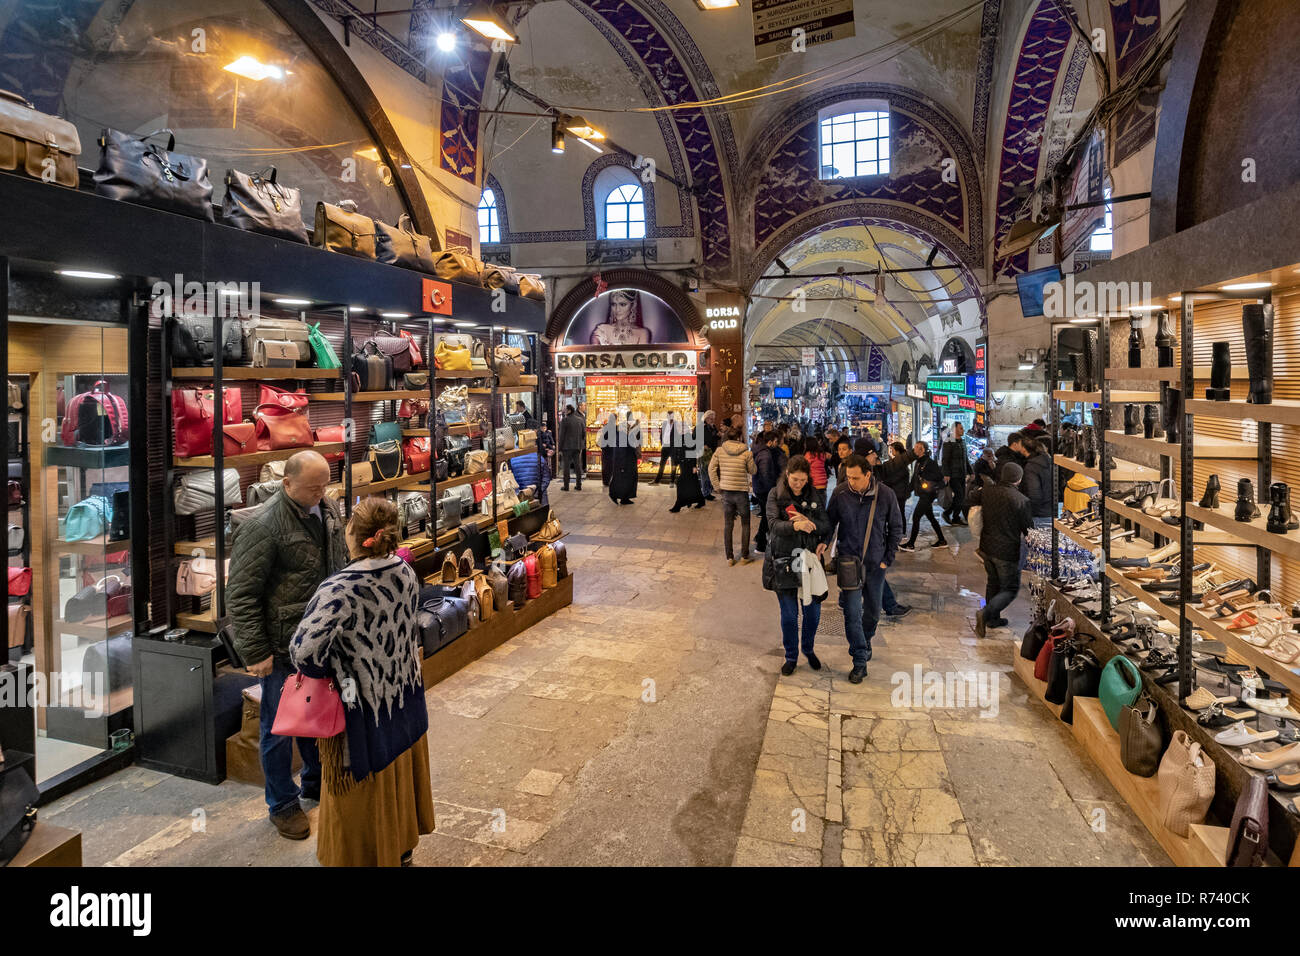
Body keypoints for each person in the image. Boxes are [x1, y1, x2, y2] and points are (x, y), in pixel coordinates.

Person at [288, 496, 434, 866]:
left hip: (361, 710)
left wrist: (333, 673)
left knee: (355, 798)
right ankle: (399, 850)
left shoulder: (340, 589)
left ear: (356, 534)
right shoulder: (403, 570)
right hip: (405, 700)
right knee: (398, 783)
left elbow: (304, 651)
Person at [227, 450, 348, 841]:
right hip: (282, 645)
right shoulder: (263, 526)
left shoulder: (326, 508)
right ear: (287, 483)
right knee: (278, 728)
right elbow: (241, 594)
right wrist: (256, 651)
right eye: (313, 487)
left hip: (321, 639)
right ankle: (282, 803)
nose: (321, 492)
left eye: (324, 484)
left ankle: (315, 783)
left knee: (316, 717)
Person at [827, 454, 904, 683]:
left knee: (872, 612)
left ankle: (866, 637)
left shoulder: (885, 495)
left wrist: (886, 559)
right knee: (851, 614)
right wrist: (822, 542)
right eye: (848, 477)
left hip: (875, 565)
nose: (851, 482)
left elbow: (897, 527)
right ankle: (859, 659)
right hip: (849, 562)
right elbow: (830, 522)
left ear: (868, 475)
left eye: (856, 478)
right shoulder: (841, 493)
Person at [763, 455, 830, 674]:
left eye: (802, 480)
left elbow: (824, 525)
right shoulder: (775, 494)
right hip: (783, 562)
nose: (799, 484)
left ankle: (808, 649)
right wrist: (796, 526)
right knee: (790, 615)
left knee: (813, 614)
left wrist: (823, 540)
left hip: (809, 561)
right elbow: (773, 525)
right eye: (795, 480)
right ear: (787, 476)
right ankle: (791, 655)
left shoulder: (815, 495)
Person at [967, 462, 1033, 637]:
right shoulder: (1021, 500)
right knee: (1010, 588)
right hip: (1007, 551)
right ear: (1018, 479)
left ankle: (992, 619)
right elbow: (1029, 529)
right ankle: (986, 613)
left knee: (993, 582)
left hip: (987, 546)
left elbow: (971, 499)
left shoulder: (988, 491)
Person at [709, 424, 757, 565]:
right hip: (741, 492)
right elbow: (753, 471)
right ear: (739, 437)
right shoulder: (747, 453)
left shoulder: (719, 451)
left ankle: (729, 557)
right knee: (745, 524)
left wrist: (717, 487)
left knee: (728, 525)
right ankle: (744, 556)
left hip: (727, 493)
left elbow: (711, 469)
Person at [898, 441, 947, 552]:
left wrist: (925, 475)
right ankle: (942, 540)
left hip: (928, 495)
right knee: (931, 518)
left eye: (916, 448)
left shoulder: (930, 463)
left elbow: (939, 477)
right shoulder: (918, 463)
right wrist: (906, 493)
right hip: (923, 495)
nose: (914, 450)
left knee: (916, 517)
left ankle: (911, 544)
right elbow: (914, 481)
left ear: (922, 450)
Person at [752, 431, 786, 552]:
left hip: (760, 488)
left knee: (767, 515)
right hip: (764, 489)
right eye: (776, 442)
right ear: (770, 442)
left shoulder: (762, 451)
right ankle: (760, 544)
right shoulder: (766, 455)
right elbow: (766, 474)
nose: (778, 444)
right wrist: (772, 491)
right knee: (768, 516)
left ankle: (759, 538)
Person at [1018, 434, 1055, 527]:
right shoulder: (1049, 460)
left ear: (1023, 448)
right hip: (1053, 510)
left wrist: (1029, 512)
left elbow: (1034, 494)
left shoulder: (1031, 466)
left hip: (1039, 514)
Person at [940, 422, 969, 526]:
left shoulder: (962, 442)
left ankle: (954, 516)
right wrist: (946, 474)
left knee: (960, 496)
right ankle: (949, 514)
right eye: (961, 428)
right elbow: (945, 460)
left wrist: (970, 471)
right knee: (960, 495)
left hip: (962, 474)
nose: (963, 430)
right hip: (953, 474)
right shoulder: (948, 442)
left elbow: (966, 459)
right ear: (955, 429)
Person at [608, 411, 640, 505]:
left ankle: (625, 498)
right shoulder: (622, 429)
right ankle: (614, 494)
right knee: (621, 478)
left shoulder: (628, 428)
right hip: (623, 457)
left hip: (628, 456)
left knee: (629, 477)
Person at [669, 438, 705, 512]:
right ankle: (700, 500)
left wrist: (694, 466)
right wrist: (676, 462)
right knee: (693, 484)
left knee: (681, 484)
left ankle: (678, 505)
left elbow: (692, 452)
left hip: (689, 465)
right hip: (683, 465)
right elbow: (677, 451)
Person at [558, 403, 586, 492]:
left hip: (567, 447)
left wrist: (560, 448)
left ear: (569, 410)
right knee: (578, 466)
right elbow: (583, 434)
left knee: (566, 466)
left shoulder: (565, 420)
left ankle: (566, 486)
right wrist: (581, 443)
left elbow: (561, 435)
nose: (564, 412)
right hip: (577, 447)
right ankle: (579, 485)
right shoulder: (580, 420)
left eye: (566, 410)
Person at [655, 410, 680, 485]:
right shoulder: (664, 423)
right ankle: (657, 480)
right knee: (662, 463)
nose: (670, 417)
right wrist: (662, 443)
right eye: (668, 416)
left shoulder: (677, 424)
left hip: (673, 447)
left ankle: (672, 481)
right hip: (665, 447)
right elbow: (662, 434)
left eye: (671, 416)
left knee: (673, 464)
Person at [699, 410, 719, 501]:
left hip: (713, 453)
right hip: (704, 453)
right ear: (706, 418)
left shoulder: (713, 427)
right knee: (705, 473)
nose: (712, 420)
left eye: (713, 419)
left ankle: (708, 491)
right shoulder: (700, 427)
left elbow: (714, 437)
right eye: (711, 418)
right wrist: (702, 445)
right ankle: (705, 493)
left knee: (710, 472)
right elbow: (694, 438)